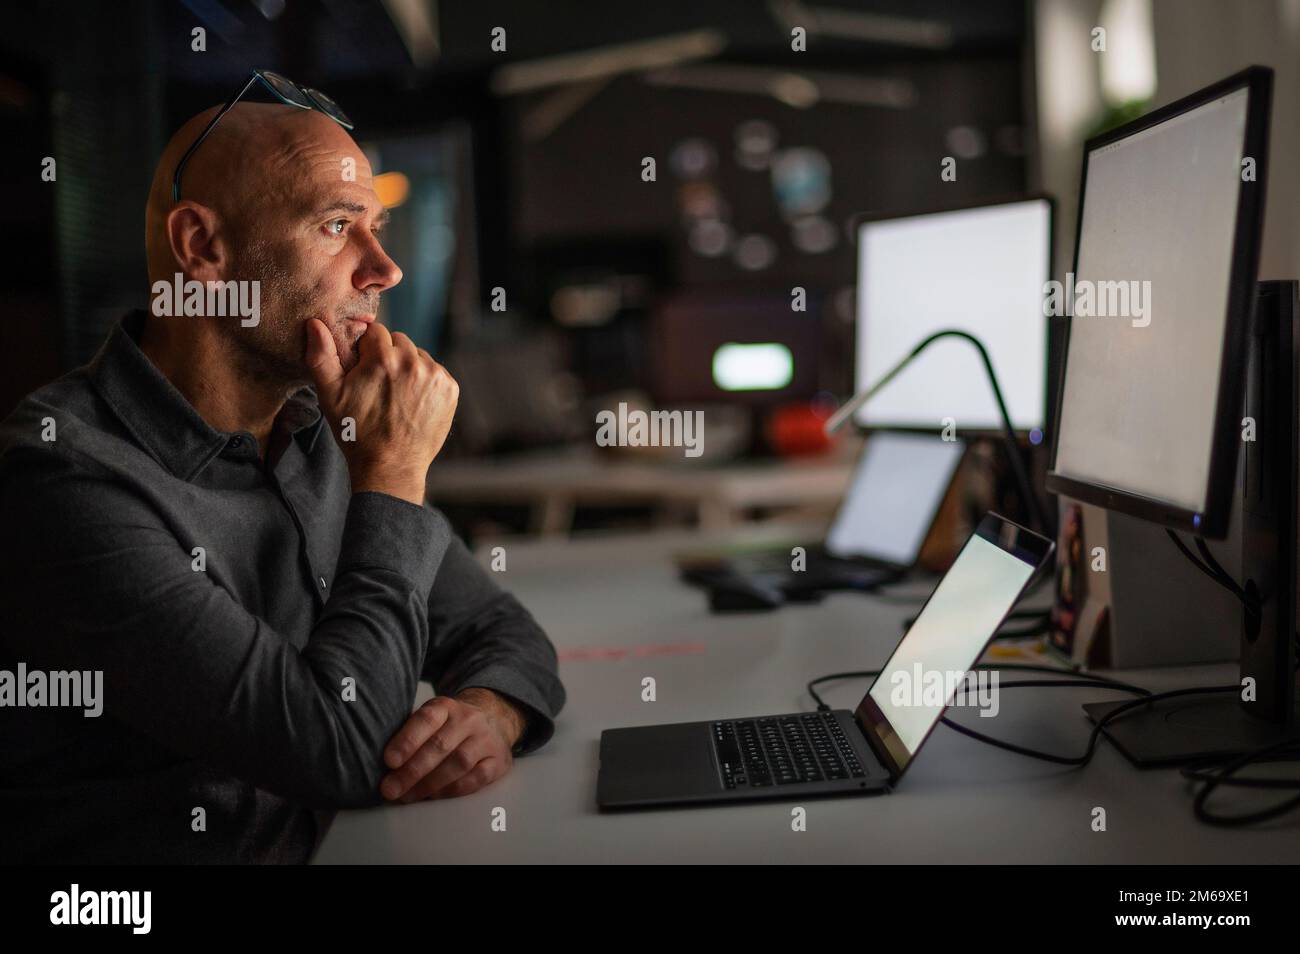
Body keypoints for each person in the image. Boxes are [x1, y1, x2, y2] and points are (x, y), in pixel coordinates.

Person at [0, 100, 565, 863]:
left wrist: (488, 712)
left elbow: (499, 630)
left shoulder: (324, 427)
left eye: (378, 227)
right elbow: (338, 749)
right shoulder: (62, 477)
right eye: (337, 226)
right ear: (202, 248)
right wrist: (394, 475)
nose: (383, 268)